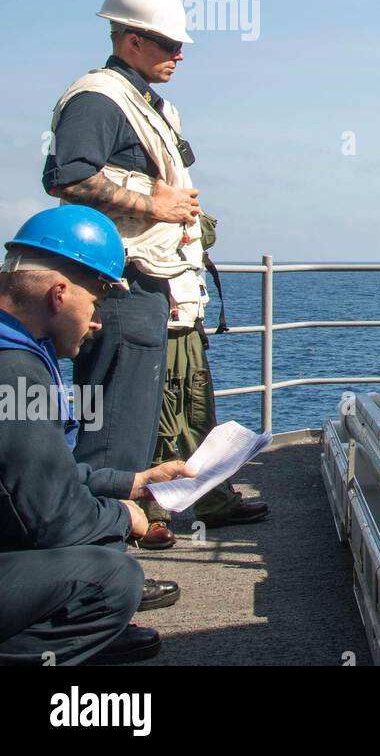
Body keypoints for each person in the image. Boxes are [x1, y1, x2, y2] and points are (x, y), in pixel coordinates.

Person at [43, 0, 268, 549]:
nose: (179, 54)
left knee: (136, 425)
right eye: (168, 43)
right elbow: (67, 176)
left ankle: (117, 549)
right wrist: (156, 203)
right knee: (113, 435)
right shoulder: (98, 98)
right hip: (117, 290)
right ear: (130, 39)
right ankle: (98, 566)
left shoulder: (148, 103)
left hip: (150, 288)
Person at [0, 206, 193, 666]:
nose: (97, 321)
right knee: (110, 577)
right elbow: (53, 519)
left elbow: (31, 474)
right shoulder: (16, 374)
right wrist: (126, 519)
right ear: (60, 294)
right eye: (99, 301)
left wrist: (131, 483)